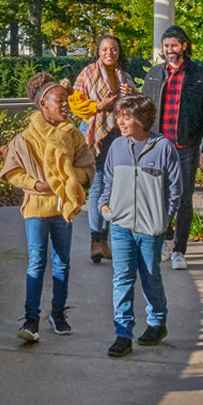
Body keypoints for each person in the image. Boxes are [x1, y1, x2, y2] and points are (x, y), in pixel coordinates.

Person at [0, 72, 94, 342]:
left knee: (62, 264)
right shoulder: (25, 139)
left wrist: (71, 178)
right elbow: (11, 172)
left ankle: (58, 313)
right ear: (44, 104)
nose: (66, 105)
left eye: (67, 101)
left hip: (64, 208)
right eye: (60, 101)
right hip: (37, 210)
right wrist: (36, 184)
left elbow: (89, 168)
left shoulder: (73, 135)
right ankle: (31, 320)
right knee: (37, 262)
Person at [96, 93, 182, 357]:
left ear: (142, 119)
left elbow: (175, 189)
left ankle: (157, 321)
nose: (121, 122)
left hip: (150, 229)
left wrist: (163, 218)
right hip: (121, 225)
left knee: (149, 276)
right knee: (122, 278)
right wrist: (103, 205)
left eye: (126, 117)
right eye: (119, 117)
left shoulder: (163, 147)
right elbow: (107, 182)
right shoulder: (117, 147)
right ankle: (123, 333)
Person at [141, 25, 203, 270]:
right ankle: (165, 239)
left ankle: (180, 250)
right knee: (159, 197)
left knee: (184, 199)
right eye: (165, 46)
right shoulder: (154, 74)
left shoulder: (200, 76)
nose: (169, 50)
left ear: (184, 46)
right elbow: (143, 111)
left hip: (186, 147)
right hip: (157, 147)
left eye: (173, 45)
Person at [74, 35, 136, 263]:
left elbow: (134, 109)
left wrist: (129, 96)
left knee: (113, 186)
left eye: (114, 50)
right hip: (94, 134)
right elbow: (76, 105)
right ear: (98, 52)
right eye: (105, 50)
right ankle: (96, 240)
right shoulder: (88, 73)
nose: (109, 53)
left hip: (118, 135)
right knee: (99, 183)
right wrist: (100, 106)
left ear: (119, 52)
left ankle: (103, 241)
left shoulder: (125, 77)